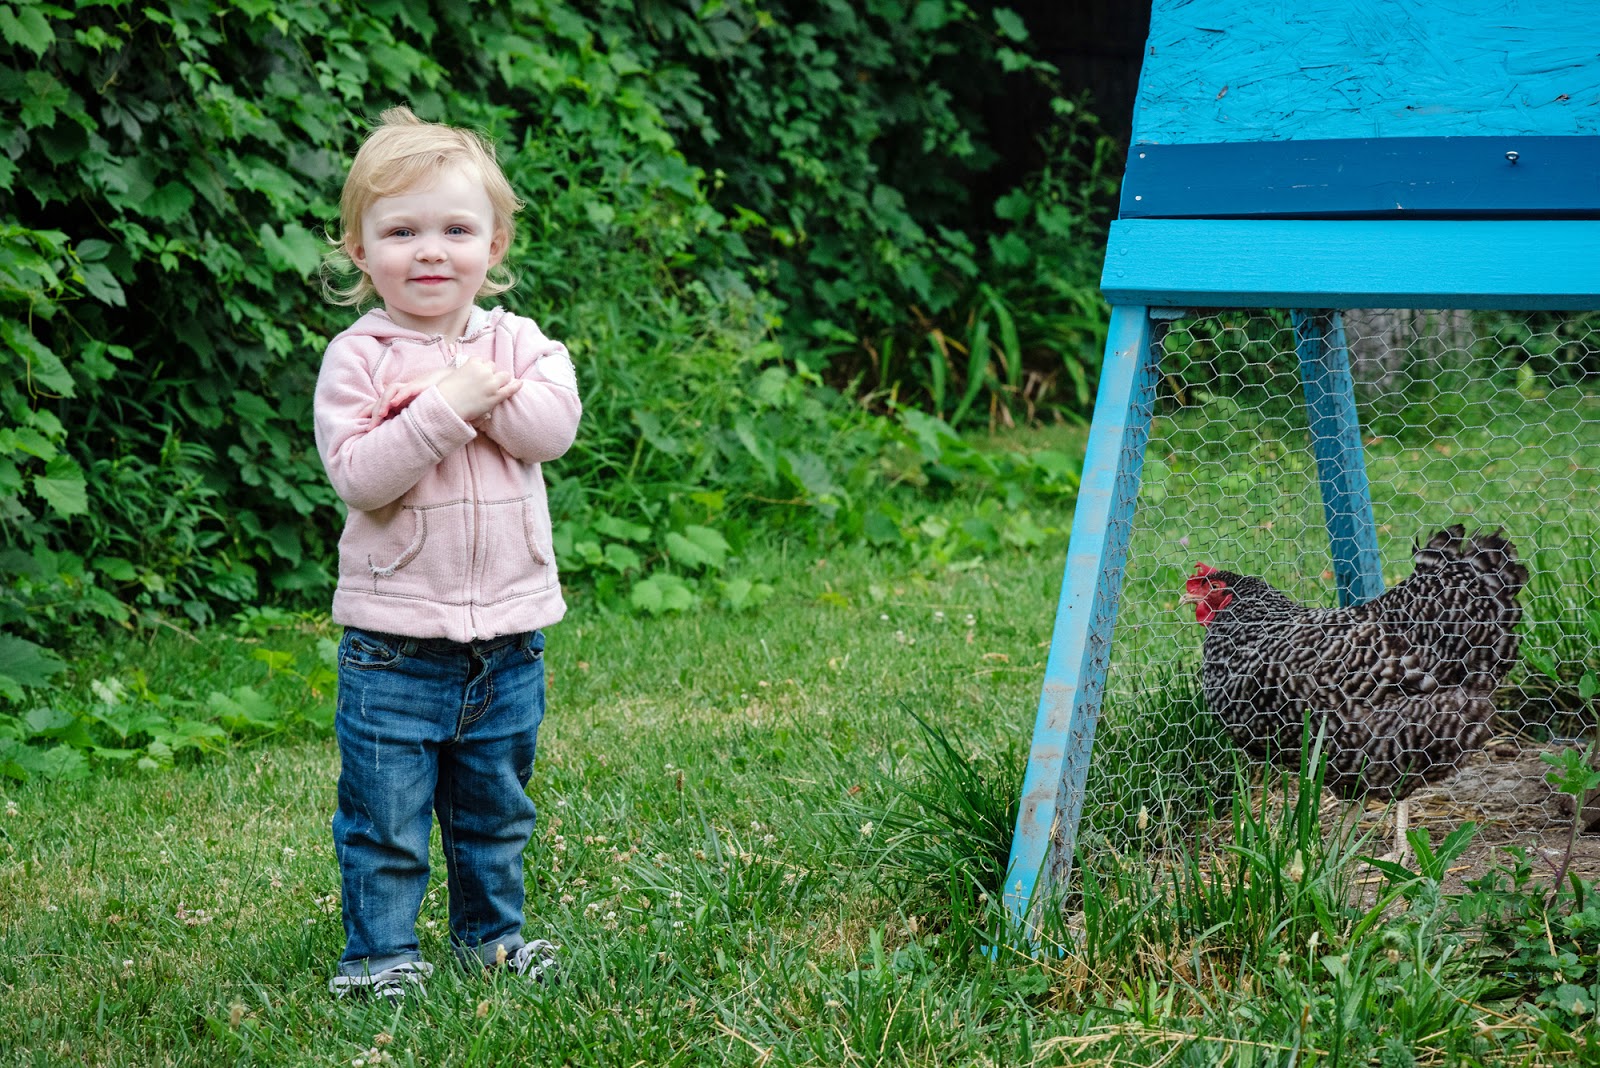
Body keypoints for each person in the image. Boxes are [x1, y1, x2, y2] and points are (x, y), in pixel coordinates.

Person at [312, 106, 582, 999]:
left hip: (508, 639)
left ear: (495, 242)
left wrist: (471, 388)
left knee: (494, 811)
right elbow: (361, 476)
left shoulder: (522, 343)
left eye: (456, 229)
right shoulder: (357, 358)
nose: (430, 251)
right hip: (393, 644)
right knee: (384, 817)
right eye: (401, 231)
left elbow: (549, 430)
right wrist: (441, 406)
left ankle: (490, 941)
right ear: (360, 250)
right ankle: (381, 956)